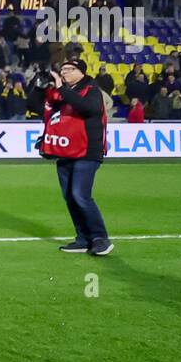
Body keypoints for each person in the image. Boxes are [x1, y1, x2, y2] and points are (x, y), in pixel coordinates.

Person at [33, 57, 112, 256]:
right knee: (70, 197)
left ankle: (100, 238)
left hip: (86, 151)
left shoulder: (92, 90)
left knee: (80, 195)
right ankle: (83, 239)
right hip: (65, 151)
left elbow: (88, 109)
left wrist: (61, 88)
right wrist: (40, 87)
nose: (64, 72)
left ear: (81, 72)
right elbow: (35, 106)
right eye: (63, 69)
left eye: (69, 69)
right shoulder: (64, 93)